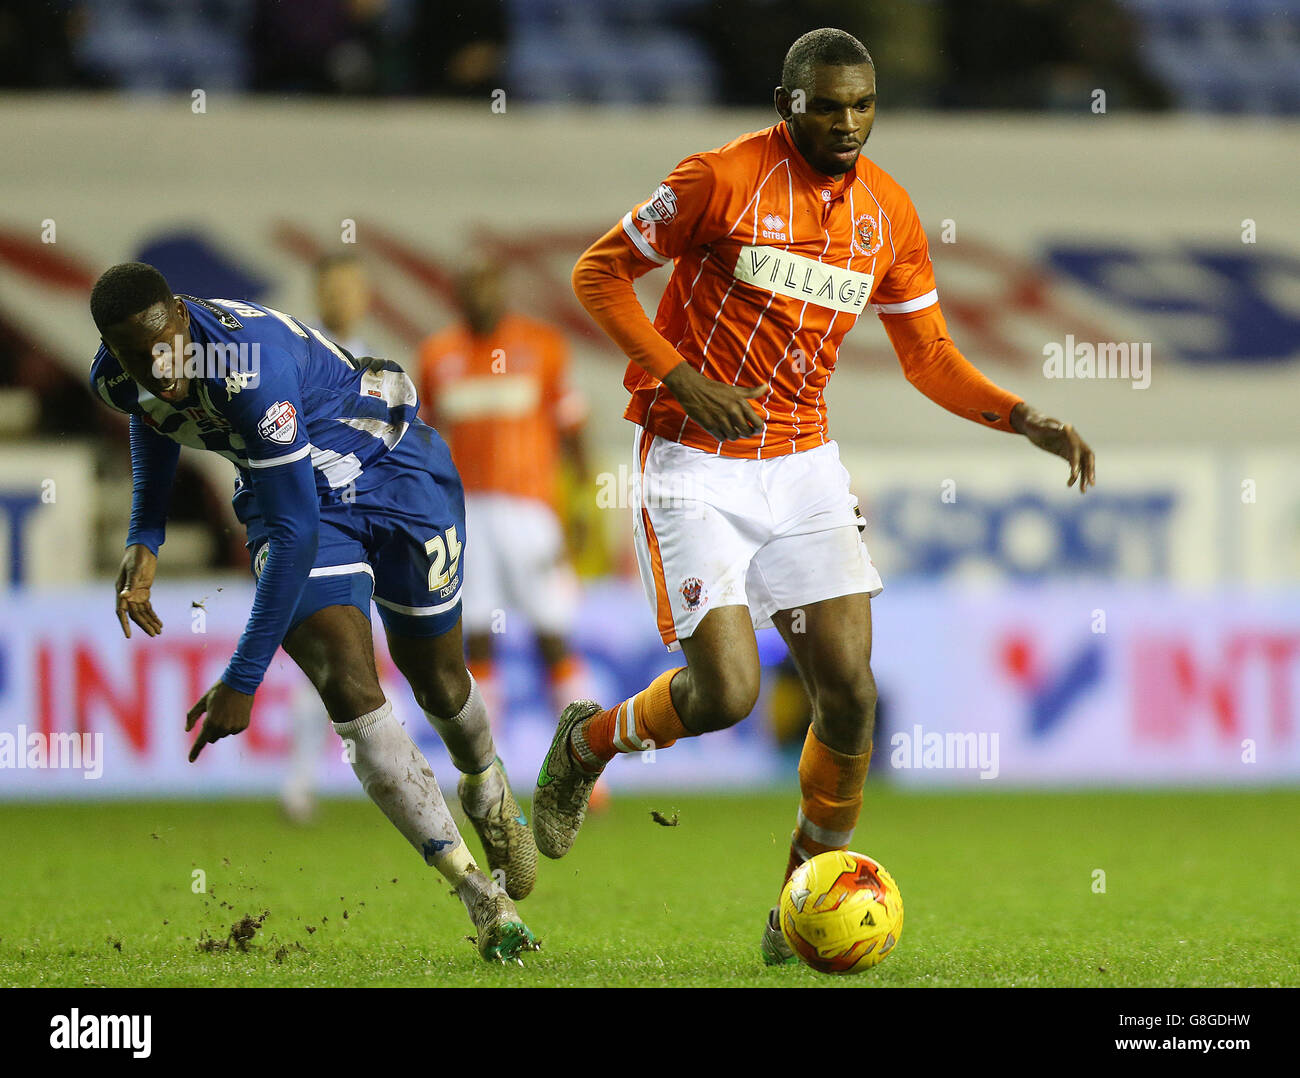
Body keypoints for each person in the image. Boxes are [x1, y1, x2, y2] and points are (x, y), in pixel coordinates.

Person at [533, 28, 1096, 965]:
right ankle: (588, 744)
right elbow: (599, 272)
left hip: (802, 465)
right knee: (728, 694)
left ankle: (798, 908)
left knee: (850, 694)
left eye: (862, 105)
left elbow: (927, 355)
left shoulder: (887, 212)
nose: (847, 123)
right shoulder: (719, 179)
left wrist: (1019, 415)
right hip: (693, 459)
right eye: (827, 106)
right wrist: (681, 379)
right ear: (786, 104)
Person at [89, 262, 540, 963]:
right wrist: (145, 535)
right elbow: (153, 417)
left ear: (181, 316)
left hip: (393, 467)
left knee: (439, 681)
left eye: (166, 349)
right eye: (136, 358)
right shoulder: (121, 374)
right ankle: (478, 895)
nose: (160, 370)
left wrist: (243, 678)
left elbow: (295, 535)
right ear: (112, 351)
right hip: (293, 498)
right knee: (349, 691)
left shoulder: (247, 368)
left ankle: (484, 782)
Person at [417, 258, 592, 727]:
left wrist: (582, 505)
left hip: (529, 509)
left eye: (488, 287)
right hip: (466, 511)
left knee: (552, 629)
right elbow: (424, 441)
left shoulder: (543, 346)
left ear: (502, 292)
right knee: (476, 632)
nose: (480, 298)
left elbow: (574, 430)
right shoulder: (437, 355)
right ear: (456, 297)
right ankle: (484, 752)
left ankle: (585, 744)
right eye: (470, 289)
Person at [281, 253, 374, 825]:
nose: (341, 299)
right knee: (322, 657)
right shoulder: (293, 358)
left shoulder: (379, 368)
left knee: (395, 655)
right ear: (318, 295)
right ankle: (299, 785)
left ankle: (407, 779)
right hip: (321, 524)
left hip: (375, 525)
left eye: (349, 288)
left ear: (364, 296)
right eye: (331, 289)